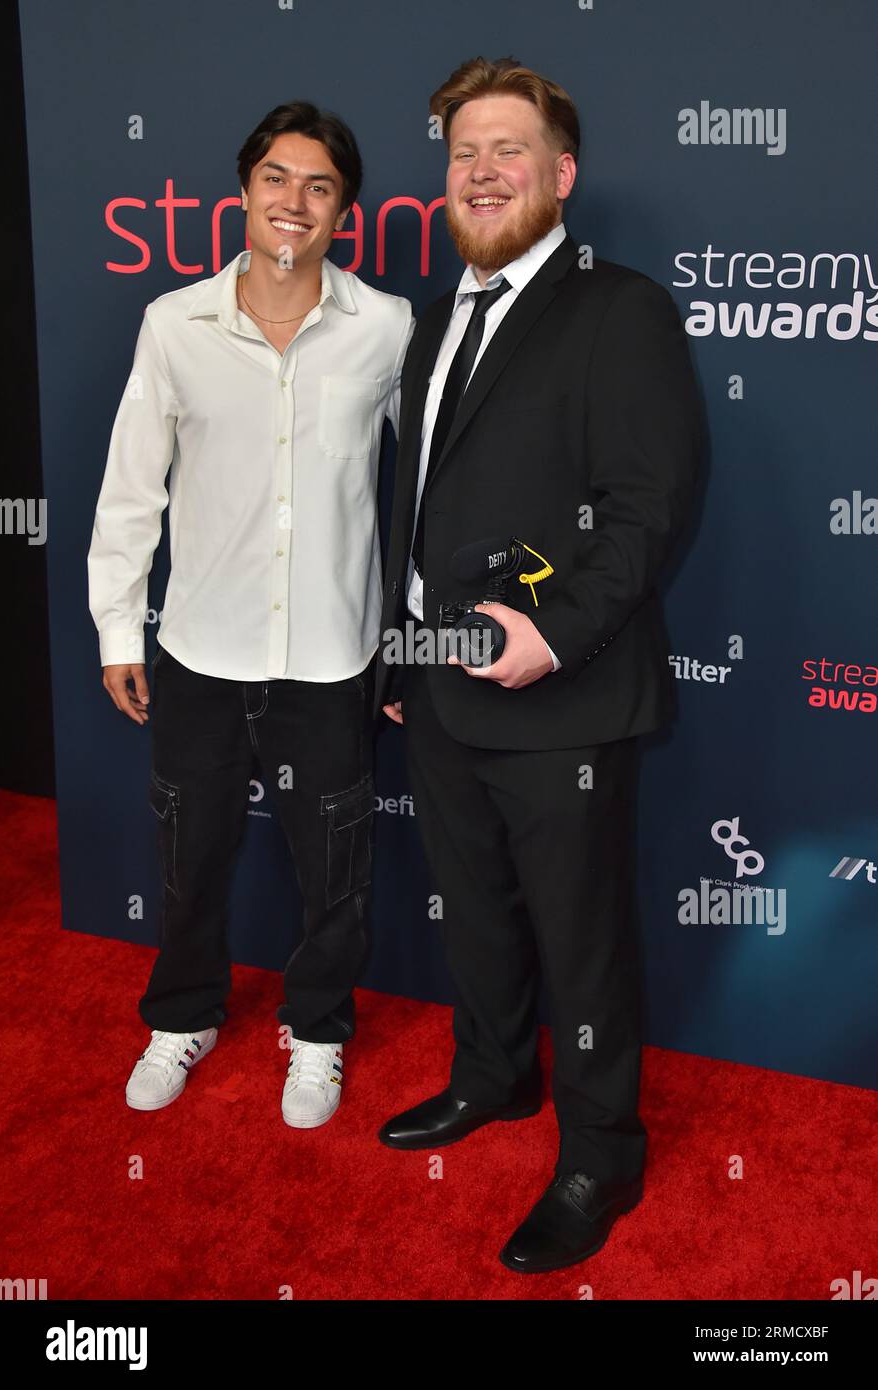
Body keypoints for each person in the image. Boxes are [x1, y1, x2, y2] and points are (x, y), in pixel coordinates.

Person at [375, 57, 702, 1273]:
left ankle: (602, 1150)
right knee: (477, 920)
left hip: (560, 694)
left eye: (509, 149)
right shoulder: (431, 320)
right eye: (464, 152)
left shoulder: (618, 307)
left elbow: (651, 507)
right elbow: (414, 500)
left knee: (582, 938)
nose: (482, 170)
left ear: (560, 175)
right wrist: (405, 650)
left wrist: (553, 629)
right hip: (439, 681)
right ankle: (495, 1079)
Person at [88, 102, 413, 1127]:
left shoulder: (389, 329)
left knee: (336, 869)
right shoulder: (173, 323)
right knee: (191, 857)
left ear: (344, 211)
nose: (294, 202)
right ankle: (181, 1015)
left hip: (331, 655)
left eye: (319, 187)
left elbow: (431, 490)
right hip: (198, 648)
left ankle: (316, 1035)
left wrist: (412, 638)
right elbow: (132, 489)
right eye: (277, 178)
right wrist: (116, 627)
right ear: (244, 191)